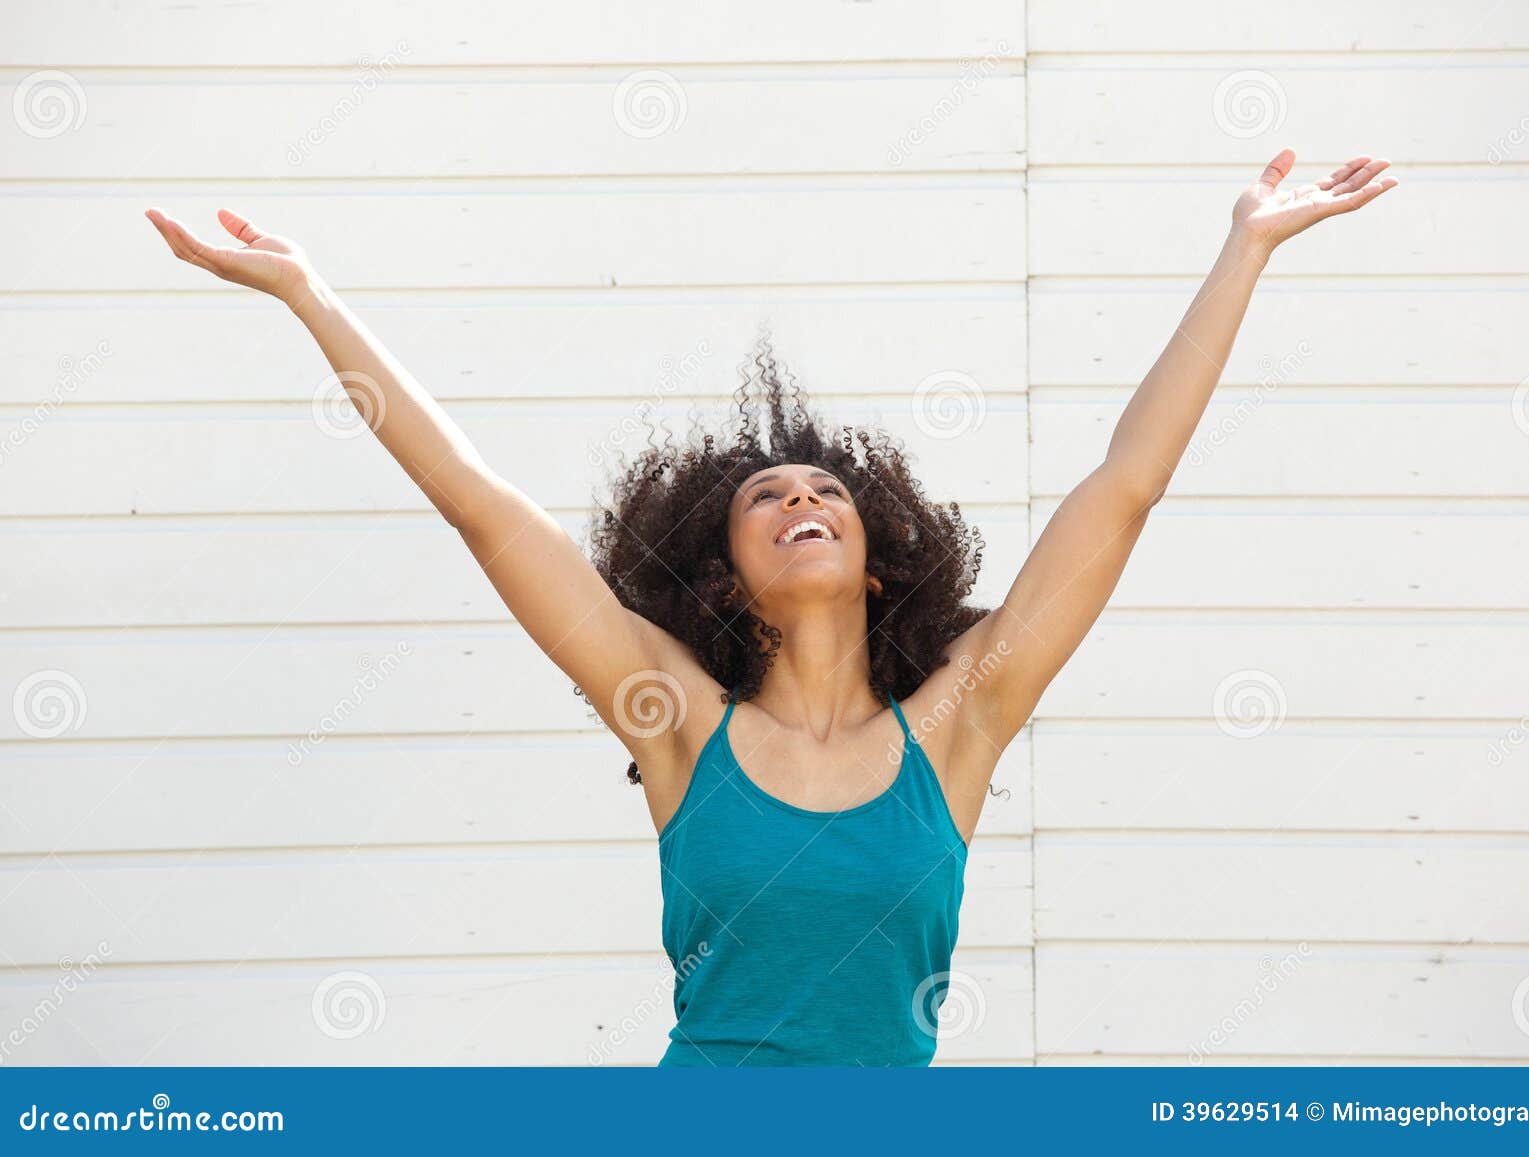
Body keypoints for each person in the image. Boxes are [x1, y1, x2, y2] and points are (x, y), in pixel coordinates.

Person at [144, 148, 1397, 1066]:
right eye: (765, 496)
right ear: (718, 571)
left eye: (827, 490)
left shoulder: (956, 727)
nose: (803, 497)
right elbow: (479, 503)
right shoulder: (671, 718)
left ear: (877, 556)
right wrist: (312, 296)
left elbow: (1123, 490)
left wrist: (1243, 250)